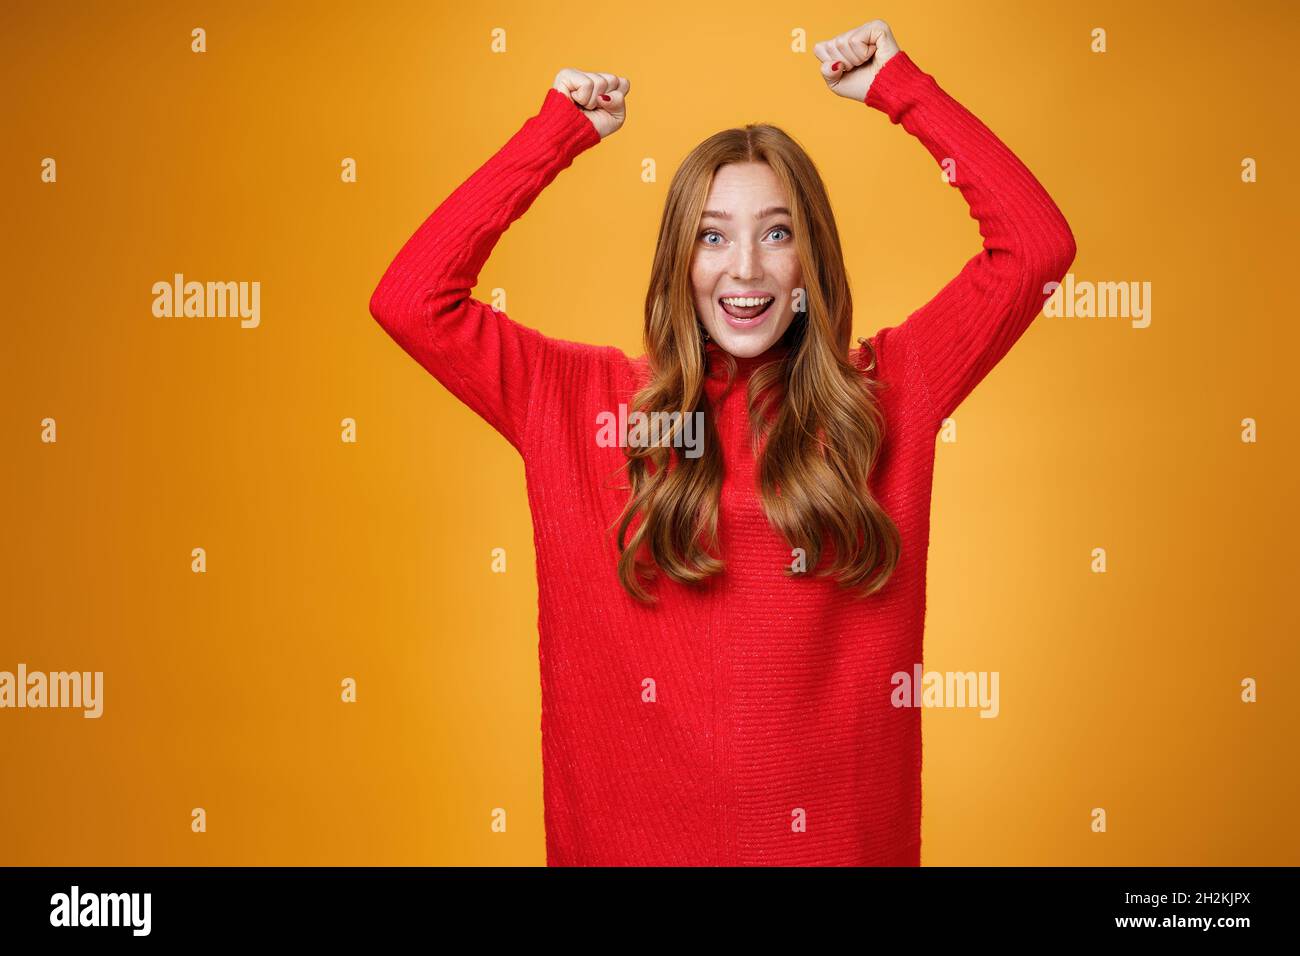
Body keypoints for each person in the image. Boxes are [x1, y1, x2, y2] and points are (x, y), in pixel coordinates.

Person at [368, 19, 1076, 866]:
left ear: (813, 260)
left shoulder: (884, 398)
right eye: (713, 235)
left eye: (777, 234)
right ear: (680, 259)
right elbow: (412, 299)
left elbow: (1036, 247)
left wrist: (902, 89)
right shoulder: (583, 404)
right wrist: (555, 133)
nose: (745, 267)